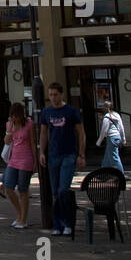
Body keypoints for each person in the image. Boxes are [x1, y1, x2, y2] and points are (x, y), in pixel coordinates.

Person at [39, 82, 86, 237]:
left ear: (61, 94)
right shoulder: (46, 112)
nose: (53, 98)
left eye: (55, 94)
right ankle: (58, 224)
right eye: (50, 95)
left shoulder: (71, 111)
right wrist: (42, 152)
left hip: (69, 154)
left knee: (63, 190)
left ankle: (67, 223)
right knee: (55, 192)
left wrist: (81, 154)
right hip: (53, 155)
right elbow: (44, 133)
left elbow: (81, 133)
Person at [2, 102, 37, 229]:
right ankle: (19, 213)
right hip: (13, 159)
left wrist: (35, 161)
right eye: (13, 116)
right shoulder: (10, 125)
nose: (15, 118)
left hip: (26, 159)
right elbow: (6, 142)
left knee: (23, 189)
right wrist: (9, 130)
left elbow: (33, 143)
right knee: (8, 188)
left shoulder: (29, 124)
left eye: (16, 116)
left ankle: (23, 219)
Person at [96, 101, 126, 172]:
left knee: (114, 157)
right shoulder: (117, 115)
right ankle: (103, 173)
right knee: (107, 157)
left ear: (106, 108)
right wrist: (123, 139)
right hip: (117, 137)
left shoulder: (106, 117)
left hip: (111, 138)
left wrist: (99, 142)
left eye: (104, 107)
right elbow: (121, 127)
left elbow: (104, 131)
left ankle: (121, 173)